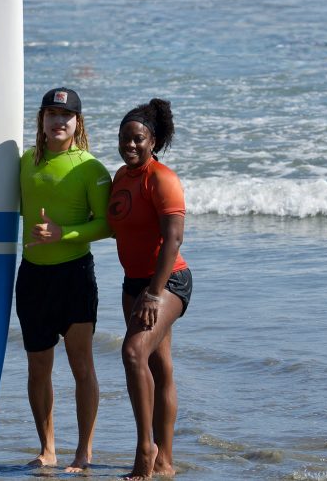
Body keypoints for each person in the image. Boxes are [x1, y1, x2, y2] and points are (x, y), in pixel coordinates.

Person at [16, 87, 113, 471]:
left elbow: (108, 225)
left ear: (78, 122)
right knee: (37, 367)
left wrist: (63, 234)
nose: (59, 121)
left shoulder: (90, 168)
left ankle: (83, 451)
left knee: (81, 365)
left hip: (74, 276)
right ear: (41, 119)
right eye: (52, 114)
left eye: (66, 116)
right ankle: (48, 449)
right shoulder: (24, 162)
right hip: (32, 278)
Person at [106, 99, 192, 480]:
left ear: (152, 140)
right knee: (159, 364)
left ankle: (145, 451)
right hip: (133, 282)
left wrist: (155, 294)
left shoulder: (161, 178)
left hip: (168, 281)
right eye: (125, 139)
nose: (131, 145)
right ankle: (166, 463)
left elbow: (173, 238)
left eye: (138, 139)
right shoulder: (121, 178)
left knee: (132, 352)